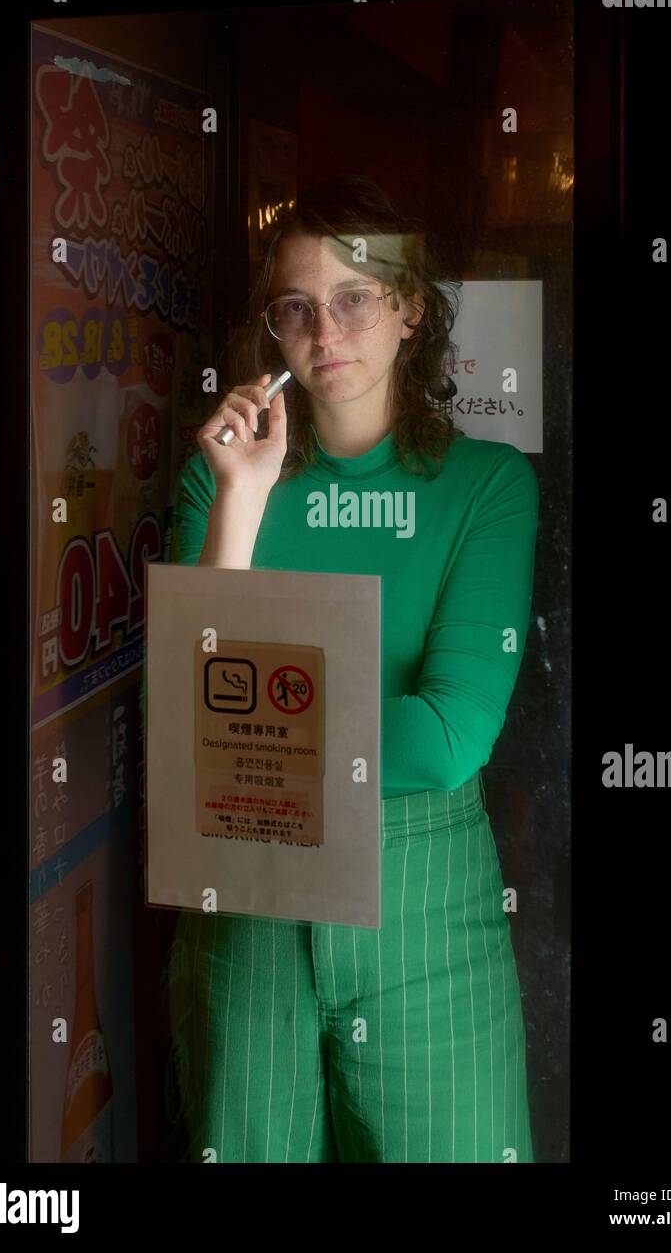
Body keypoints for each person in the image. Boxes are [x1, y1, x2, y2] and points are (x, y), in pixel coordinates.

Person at [167, 175, 539, 1163]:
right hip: (246, 905)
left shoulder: (487, 486)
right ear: (271, 329)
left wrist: (245, 724)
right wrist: (241, 501)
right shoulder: (217, 476)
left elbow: (446, 734)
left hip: (428, 911)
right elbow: (181, 708)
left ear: (409, 309)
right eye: (294, 306)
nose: (322, 330)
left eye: (354, 298)